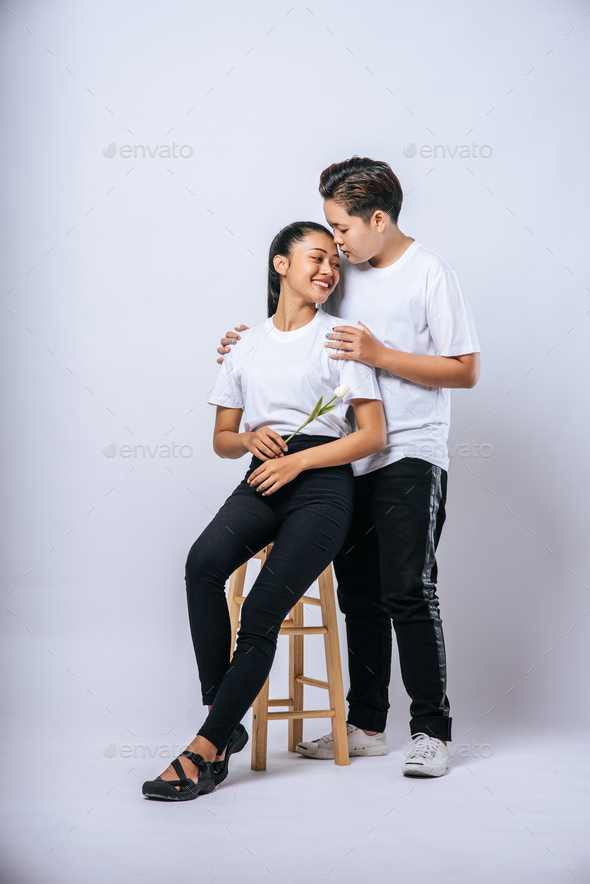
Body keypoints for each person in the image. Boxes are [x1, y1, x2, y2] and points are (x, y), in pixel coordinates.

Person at [217, 157, 481, 778]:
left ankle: (431, 731)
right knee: (359, 596)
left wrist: (381, 354)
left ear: (379, 219)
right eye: (328, 234)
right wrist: (241, 345)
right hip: (344, 460)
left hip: (410, 451)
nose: (334, 246)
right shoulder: (345, 274)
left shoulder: (428, 273)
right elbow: (296, 325)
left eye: (342, 229)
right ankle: (366, 725)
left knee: (407, 590)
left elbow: (466, 369)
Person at [142, 221, 386, 801]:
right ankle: (223, 720)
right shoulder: (245, 343)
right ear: (281, 264)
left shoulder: (340, 337)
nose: (328, 270)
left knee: (259, 612)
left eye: (334, 262)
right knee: (201, 564)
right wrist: (249, 440)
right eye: (316, 258)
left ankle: (204, 750)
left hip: (323, 483)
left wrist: (300, 463)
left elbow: (371, 434)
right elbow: (222, 436)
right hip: (262, 474)